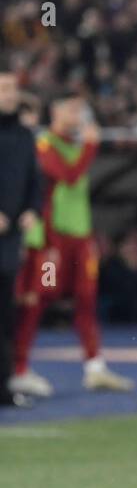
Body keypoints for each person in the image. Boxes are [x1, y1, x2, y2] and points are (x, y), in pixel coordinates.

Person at [10, 92, 133, 397]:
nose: (80, 117)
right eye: (74, 110)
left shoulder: (74, 147)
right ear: (58, 111)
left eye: (82, 110)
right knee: (38, 298)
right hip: (52, 240)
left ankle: (95, 367)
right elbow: (68, 175)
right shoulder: (44, 146)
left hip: (80, 240)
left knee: (87, 299)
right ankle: (19, 368)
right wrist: (91, 146)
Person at [0, 72, 42, 408]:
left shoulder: (25, 135)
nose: (10, 94)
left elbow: (34, 181)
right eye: (3, 88)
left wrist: (31, 210)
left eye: (12, 88)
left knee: (5, 316)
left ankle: (3, 386)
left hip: (9, 240)